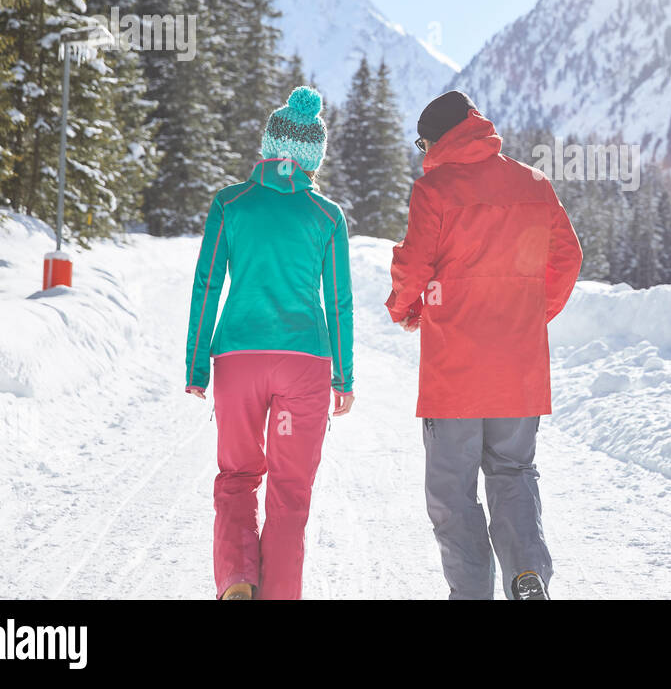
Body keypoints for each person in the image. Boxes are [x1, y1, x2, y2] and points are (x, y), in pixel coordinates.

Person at [386, 90, 582, 600]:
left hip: (455, 371)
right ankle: (526, 575)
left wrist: (405, 309)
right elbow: (568, 257)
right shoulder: (534, 184)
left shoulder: (435, 189)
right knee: (513, 472)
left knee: (453, 491)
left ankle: (471, 593)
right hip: (518, 368)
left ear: (435, 139)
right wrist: (531, 316)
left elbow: (414, 265)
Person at [184, 86, 354, 600]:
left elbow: (207, 284)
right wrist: (342, 376)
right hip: (304, 363)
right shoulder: (326, 216)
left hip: (237, 358)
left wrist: (196, 367)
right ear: (312, 159)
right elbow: (339, 302)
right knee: (290, 492)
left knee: (237, 476)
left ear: (267, 147)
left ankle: (237, 581)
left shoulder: (231, 203)